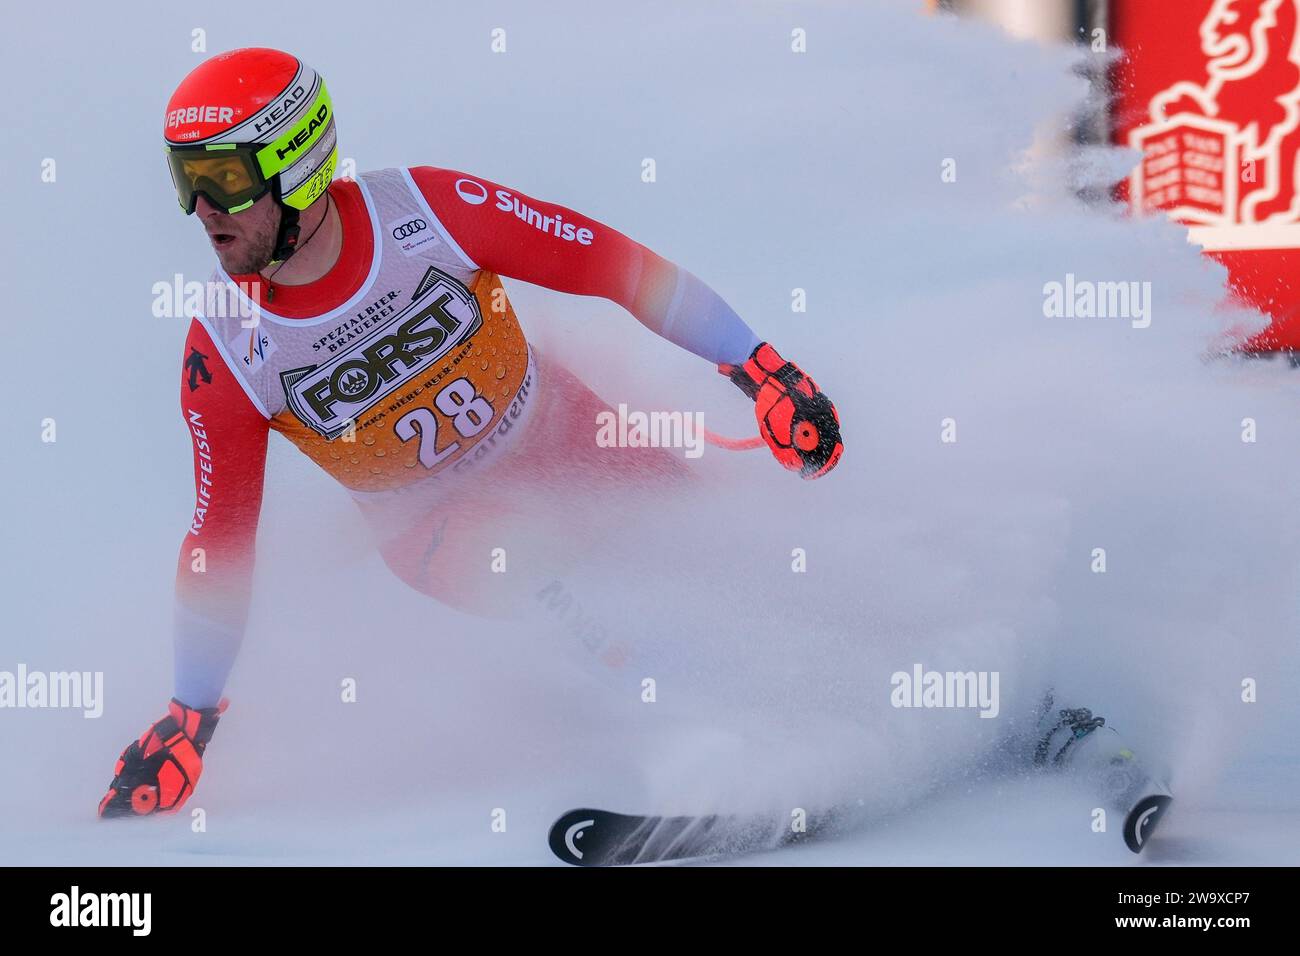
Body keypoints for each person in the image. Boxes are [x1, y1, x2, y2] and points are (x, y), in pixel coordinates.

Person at [98, 47, 843, 819]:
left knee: (706, 543)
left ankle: (852, 664)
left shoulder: (425, 212)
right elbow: (220, 535)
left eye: (221, 178)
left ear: (296, 164)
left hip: (562, 431)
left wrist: (762, 370)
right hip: (436, 525)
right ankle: (725, 751)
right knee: (551, 579)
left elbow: (613, 265)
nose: (202, 211)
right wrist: (191, 718)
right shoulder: (224, 348)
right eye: (186, 181)